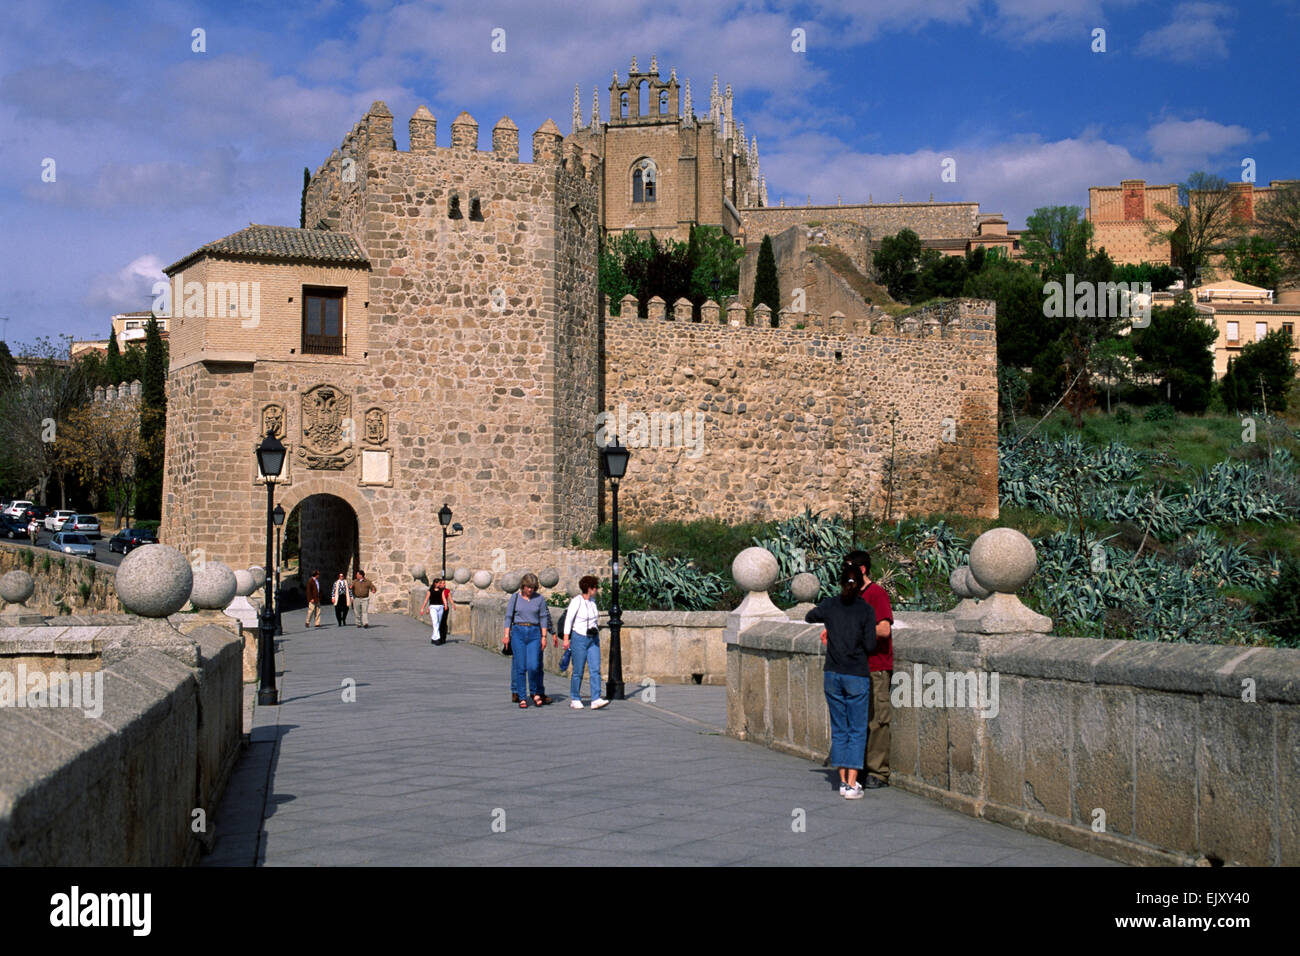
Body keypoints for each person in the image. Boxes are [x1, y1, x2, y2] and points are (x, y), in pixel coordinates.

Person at [806, 557, 876, 799]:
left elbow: (809, 616)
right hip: (856, 673)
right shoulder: (866, 610)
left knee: (839, 728)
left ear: (841, 582)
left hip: (832, 673)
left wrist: (831, 628)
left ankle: (843, 781)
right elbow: (870, 644)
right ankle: (852, 784)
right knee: (857, 729)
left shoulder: (831, 605)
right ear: (860, 583)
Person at [848, 549, 894, 789]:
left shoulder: (876, 593)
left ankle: (878, 772)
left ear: (861, 570)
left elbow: (884, 629)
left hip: (876, 667)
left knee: (877, 721)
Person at [502, 573, 550, 708]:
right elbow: (508, 617)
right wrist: (506, 635)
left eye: (533, 587)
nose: (530, 590)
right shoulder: (515, 598)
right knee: (520, 666)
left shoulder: (539, 599)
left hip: (534, 632)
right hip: (518, 632)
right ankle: (522, 696)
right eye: (528, 587)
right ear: (523, 586)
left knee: (533, 665)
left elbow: (543, 617)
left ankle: (534, 692)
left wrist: (544, 637)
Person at [562, 575, 608, 710]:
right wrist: (566, 638)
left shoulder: (593, 601)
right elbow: (569, 620)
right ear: (589, 588)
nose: (597, 590)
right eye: (595, 587)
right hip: (579, 638)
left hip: (593, 638)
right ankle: (575, 698)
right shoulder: (576, 601)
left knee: (595, 668)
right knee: (578, 670)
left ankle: (596, 698)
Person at [421, 575, 450, 645]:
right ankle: (437, 639)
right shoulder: (430, 591)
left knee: (438, 623)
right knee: (435, 622)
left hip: (440, 607)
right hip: (433, 607)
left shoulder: (441, 590)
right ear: (435, 583)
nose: (439, 584)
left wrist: (445, 605)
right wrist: (422, 608)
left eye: (440, 583)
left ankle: (433, 638)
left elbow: (443, 598)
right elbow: (426, 600)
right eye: (438, 583)